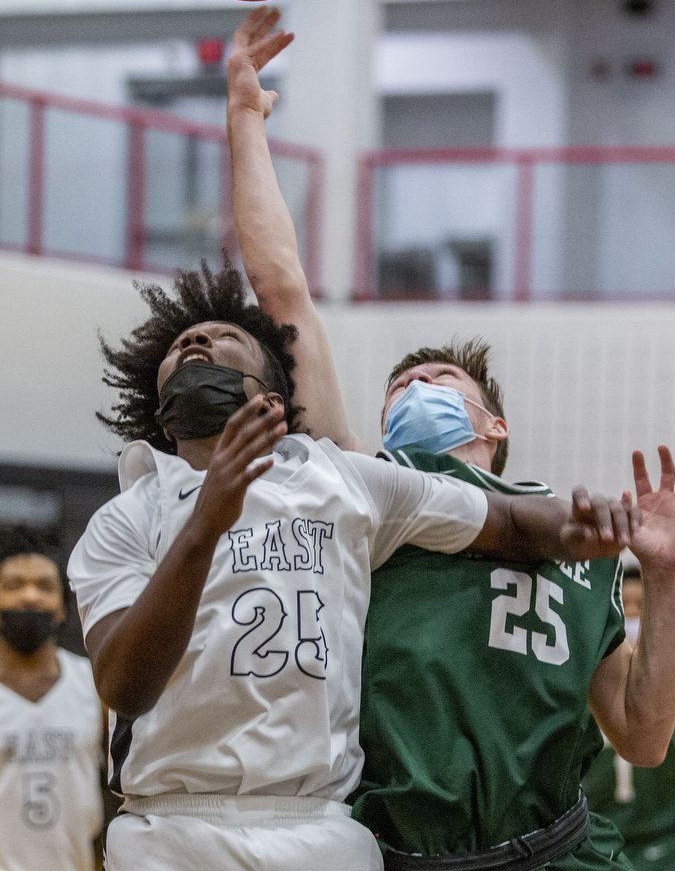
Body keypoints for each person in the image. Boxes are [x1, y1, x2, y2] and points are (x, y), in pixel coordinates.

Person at [225, 5, 675, 871]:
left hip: (558, 852)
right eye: (398, 389)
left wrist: (666, 581)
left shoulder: (583, 535)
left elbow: (641, 733)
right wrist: (245, 120)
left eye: (438, 384)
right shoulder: (369, 490)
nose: (413, 393)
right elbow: (285, 293)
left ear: (495, 426)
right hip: (402, 854)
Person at [67, 261, 630, 871]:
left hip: (319, 826)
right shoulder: (125, 517)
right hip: (171, 826)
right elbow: (125, 684)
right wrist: (207, 520)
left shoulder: (340, 479)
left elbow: (510, 520)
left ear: (273, 398)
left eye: (223, 337)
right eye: (180, 345)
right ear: (161, 404)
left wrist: (578, 524)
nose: (196, 342)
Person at [584, 565, 675, 871]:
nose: (634, 617)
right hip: (593, 848)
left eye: (643, 607)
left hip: (661, 850)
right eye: (625, 606)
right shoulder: (577, 693)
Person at [0, 524, 103, 871]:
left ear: (62, 607)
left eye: (44, 586)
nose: (30, 596)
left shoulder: (94, 684)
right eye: (13, 585)